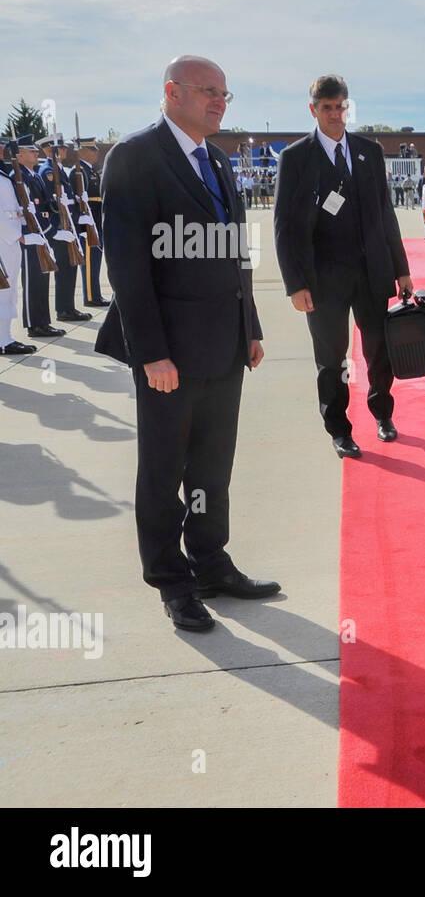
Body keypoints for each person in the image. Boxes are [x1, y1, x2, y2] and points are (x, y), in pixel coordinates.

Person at [94, 54, 280, 632]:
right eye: (208, 91)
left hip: (223, 345)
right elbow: (127, 267)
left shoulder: (218, 163)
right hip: (168, 353)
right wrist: (150, 351)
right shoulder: (135, 158)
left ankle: (209, 561)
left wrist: (249, 323)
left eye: (226, 93)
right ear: (172, 92)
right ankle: (171, 581)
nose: (220, 101)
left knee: (211, 463)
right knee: (163, 468)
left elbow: (235, 252)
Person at [273, 74, 413, 460]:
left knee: (379, 351)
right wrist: (294, 283)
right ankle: (338, 428)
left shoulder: (369, 151)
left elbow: (386, 213)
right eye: (327, 108)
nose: (336, 115)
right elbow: (284, 226)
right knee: (331, 360)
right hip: (323, 282)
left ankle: (383, 415)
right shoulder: (297, 158)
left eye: (341, 107)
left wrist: (401, 268)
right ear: (313, 110)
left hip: (372, 273)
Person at [38, 137, 91, 325]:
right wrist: (56, 228)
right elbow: (50, 202)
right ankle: (63, 309)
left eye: (63, 147)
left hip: (69, 226)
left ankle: (69, 307)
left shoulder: (59, 170)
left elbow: (67, 198)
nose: (64, 150)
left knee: (71, 268)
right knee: (64, 270)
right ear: (48, 150)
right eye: (60, 148)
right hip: (60, 228)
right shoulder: (48, 171)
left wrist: (79, 217)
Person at [14, 136, 63, 339]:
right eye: (31, 151)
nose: (36, 153)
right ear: (19, 155)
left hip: (42, 232)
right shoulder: (17, 176)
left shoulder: (34, 175)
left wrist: (52, 227)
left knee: (43, 280)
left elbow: (46, 205)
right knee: (32, 282)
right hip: (31, 235)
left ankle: (43, 322)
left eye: (35, 150)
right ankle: (33, 324)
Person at [0, 140, 38, 355]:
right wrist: (16, 235)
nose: (3, 149)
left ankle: (5, 337)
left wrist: (24, 216)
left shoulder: (5, 173)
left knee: (10, 291)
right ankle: (3, 340)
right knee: (3, 292)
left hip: (10, 242)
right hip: (4, 240)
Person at [72, 139, 109, 307]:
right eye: (92, 149)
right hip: (87, 224)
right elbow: (77, 199)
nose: (96, 152)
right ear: (82, 151)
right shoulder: (78, 172)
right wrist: (81, 221)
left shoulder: (89, 171)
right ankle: (90, 297)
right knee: (89, 262)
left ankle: (95, 294)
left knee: (95, 261)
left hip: (95, 221)